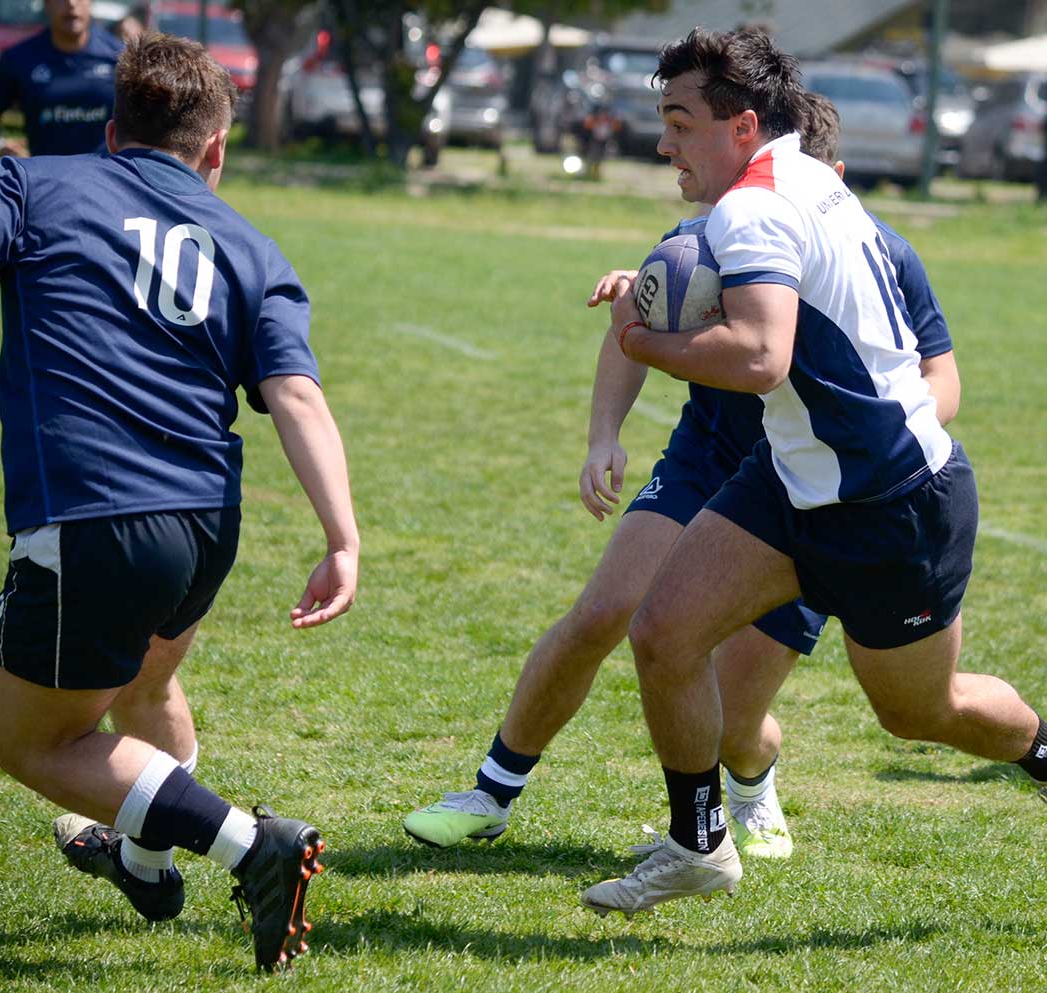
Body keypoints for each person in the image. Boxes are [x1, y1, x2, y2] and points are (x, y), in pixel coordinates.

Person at [578, 27, 1047, 917]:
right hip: (793, 478)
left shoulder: (754, 207)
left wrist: (643, 336)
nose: (663, 144)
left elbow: (758, 355)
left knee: (919, 710)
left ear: (744, 126)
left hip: (892, 499)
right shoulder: (802, 178)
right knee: (664, 632)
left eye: (679, 122)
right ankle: (697, 843)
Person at [401, 93, 961, 863]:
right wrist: (605, 433)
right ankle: (491, 793)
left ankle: (752, 785)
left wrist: (880, 438)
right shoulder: (710, 234)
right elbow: (637, 327)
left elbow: (941, 379)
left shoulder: (883, 253)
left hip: (818, 491)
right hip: (708, 459)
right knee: (605, 613)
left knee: (731, 715)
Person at [0, 34, 359, 970]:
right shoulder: (254, 246)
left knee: (32, 741)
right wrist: (343, 537)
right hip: (205, 527)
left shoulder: (27, 185)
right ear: (216, 152)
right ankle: (144, 860)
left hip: (94, 516)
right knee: (145, 686)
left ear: (109, 133)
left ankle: (253, 846)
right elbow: (297, 396)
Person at [0, 0, 124, 158]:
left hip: (105, 178)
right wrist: (0, 146)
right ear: (46, 4)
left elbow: (144, 121)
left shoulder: (119, 56)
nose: (71, 4)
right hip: (45, 177)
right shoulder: (20, 58)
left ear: (90, 3)